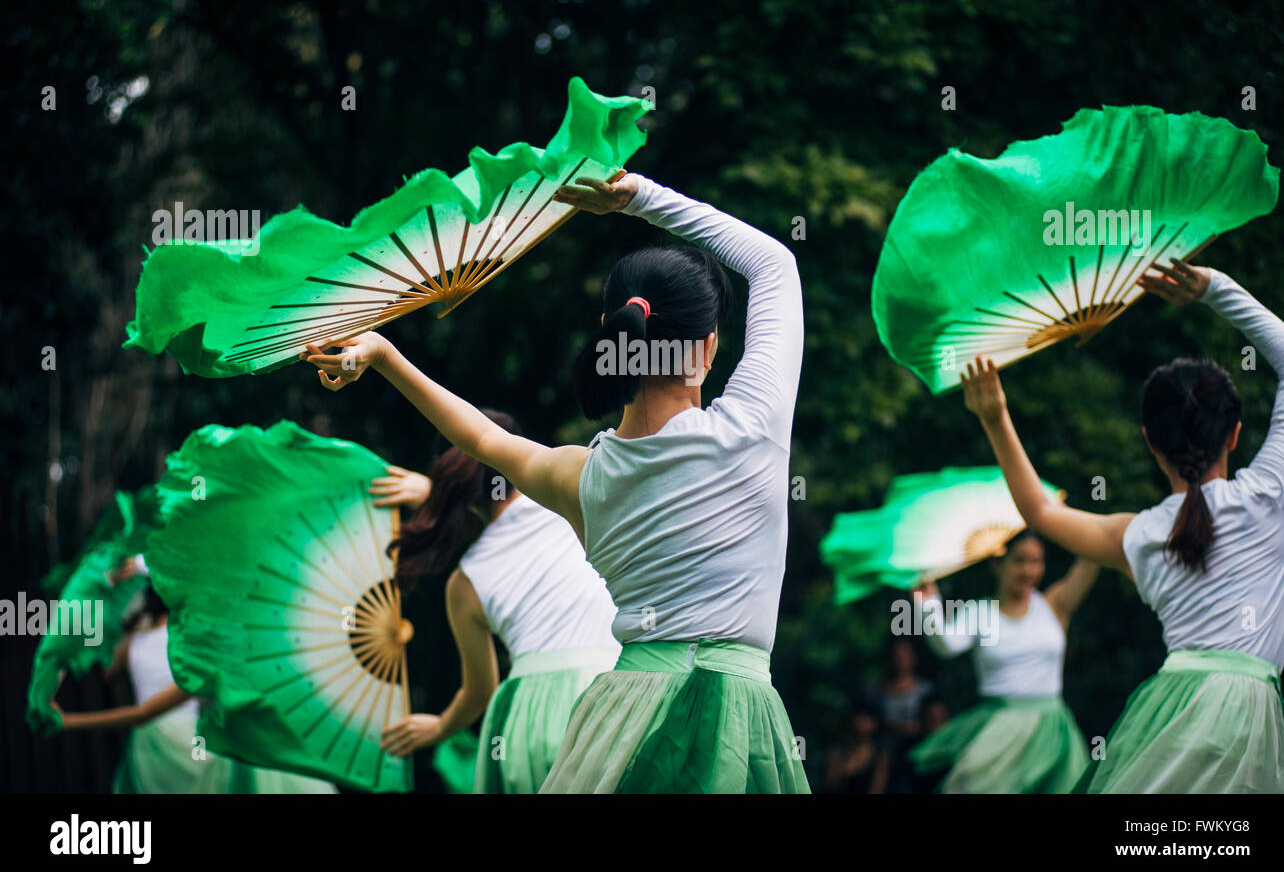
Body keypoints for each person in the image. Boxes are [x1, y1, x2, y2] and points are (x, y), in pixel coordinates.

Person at [303, 170, 809, 793]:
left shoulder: (582, 477)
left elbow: (483, 441)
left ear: (611, 328)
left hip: (622, 718)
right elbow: (774, 264)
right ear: (706, 350)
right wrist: (641, 199)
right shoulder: (752, 429)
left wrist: (385, 355)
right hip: (739, 717)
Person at [962, 258, 1284, 793]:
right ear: (1234, 435)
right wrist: (1213, 287)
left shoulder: (1137, 534)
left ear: (1149, 440)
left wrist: (994, 415)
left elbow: (1041, 514)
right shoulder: (1273, 494)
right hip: (1246, 717)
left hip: (1170, 706)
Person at [375, 410, 620, 793]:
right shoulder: (567, 492)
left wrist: (440, 727)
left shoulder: (464, 582)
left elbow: (479, 692)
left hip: (528, 717)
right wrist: (435, 493)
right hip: (612, 691)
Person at [54, 581, 335, 793]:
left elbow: (99, 666)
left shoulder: (135, 641)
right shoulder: (195, 653)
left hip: (145, 744)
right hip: (185, 737)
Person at [909, 537, 1097, 793]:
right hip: (1000, 726)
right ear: (997, 563)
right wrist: (928, 604)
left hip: (1054, 726)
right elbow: (946, 645)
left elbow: (1093, 556)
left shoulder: (1054, 604)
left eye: (1036, 561)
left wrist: (1054, 517)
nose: (1029, 570)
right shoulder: (979, 611)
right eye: (1019, 560)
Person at [870, 638, 937, 794]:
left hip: (919, 754)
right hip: (884, 758)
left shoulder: (925, 689)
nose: (900, 661)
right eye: (897, 656)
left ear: (914, 658)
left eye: (905, 656)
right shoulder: (877, 690)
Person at [824, 697, 889, 794]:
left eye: (867, 719)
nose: (861, 723)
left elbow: (877, 789)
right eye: (859, 718)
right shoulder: (837, 751)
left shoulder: (880, 755)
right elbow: (830, 785)